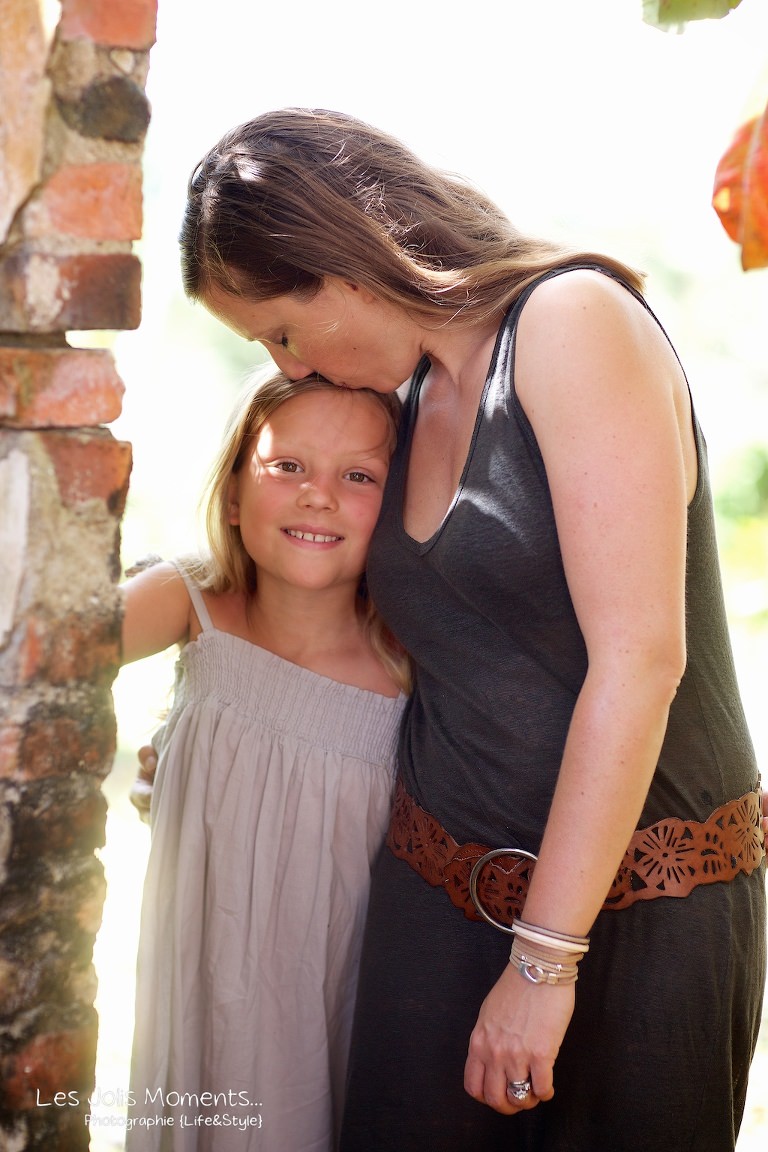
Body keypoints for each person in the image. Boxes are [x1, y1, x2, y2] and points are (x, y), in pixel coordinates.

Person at [172, 107, 766, 1151]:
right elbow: (371, 623)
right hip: (430, 909)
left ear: (341, 263)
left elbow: (641, 660)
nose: (289, 362)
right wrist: (216, 726)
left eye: (278, 329)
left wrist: (544, 966)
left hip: (639, 925)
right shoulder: (402, 398)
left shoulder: (571, 320)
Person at [119, 368, 408, 1152]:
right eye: (289, 466)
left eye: (358, 476)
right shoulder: (193, 602)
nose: (319, 495)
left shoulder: (411, 671)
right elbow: (48, 653)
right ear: (237, 494)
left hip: (328, 1006)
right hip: (197, 981)